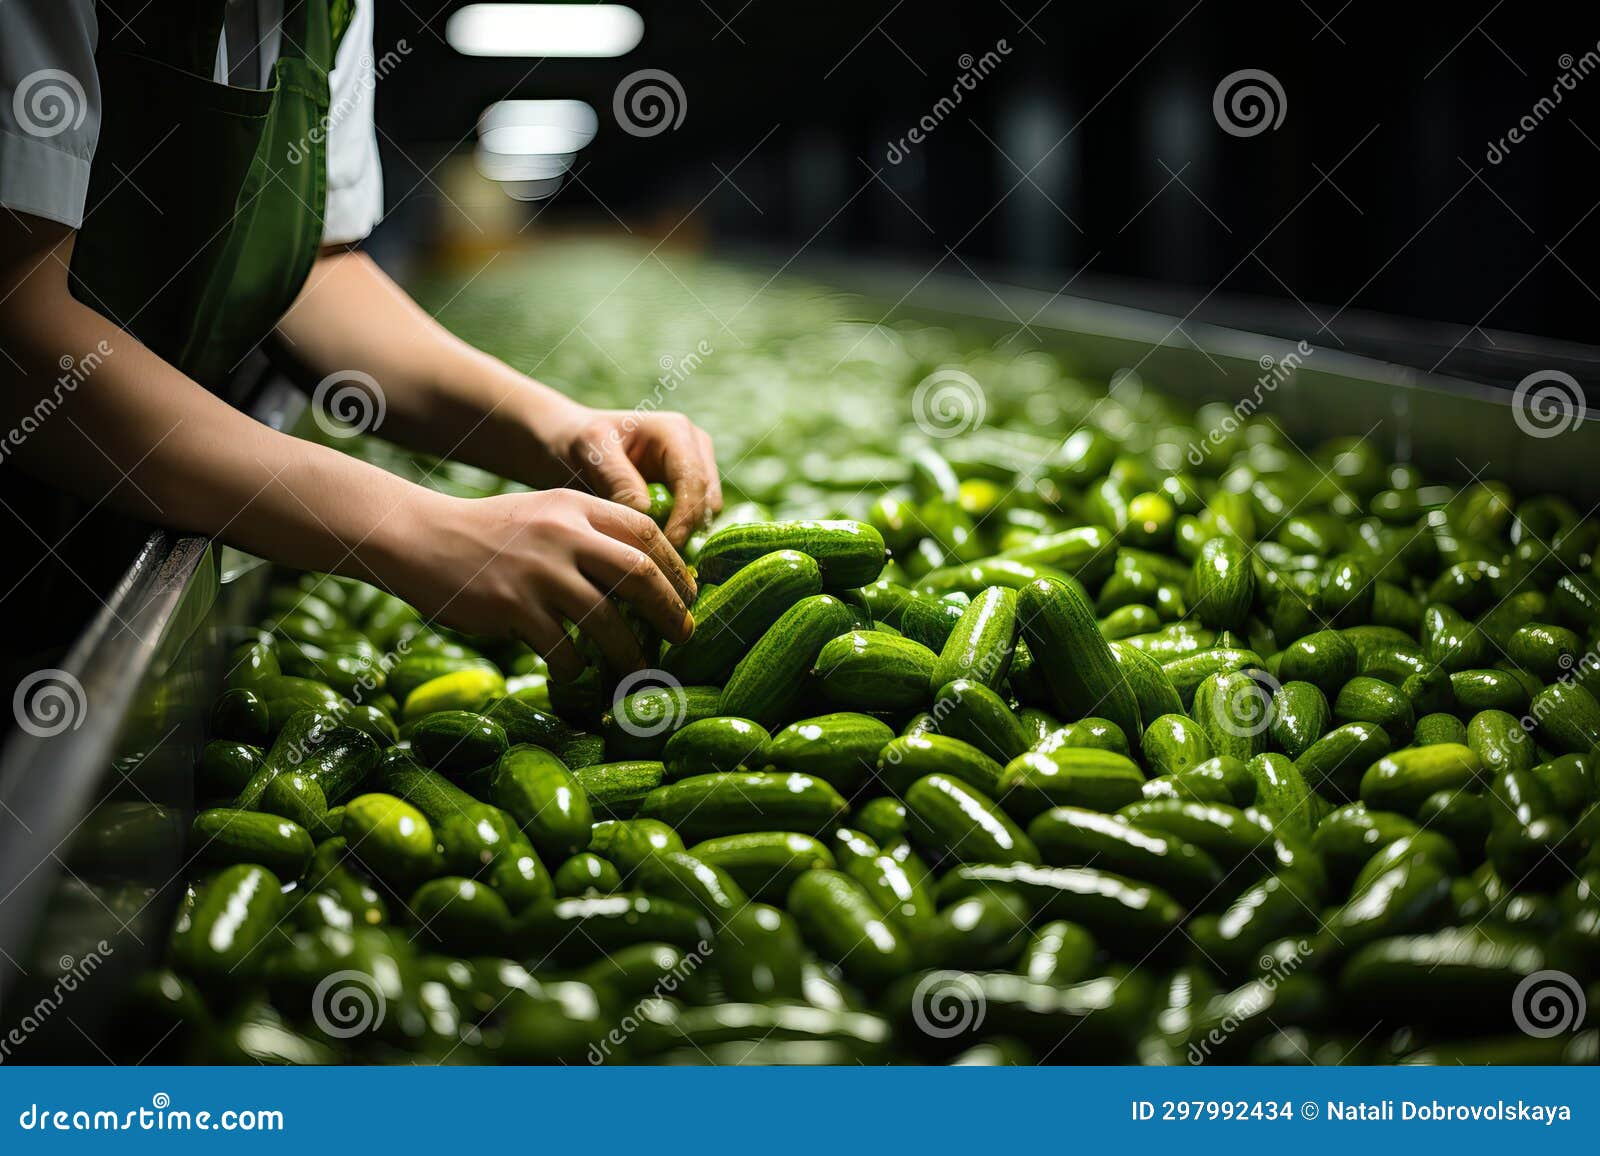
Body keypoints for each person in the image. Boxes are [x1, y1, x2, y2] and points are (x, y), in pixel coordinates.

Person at [0, 0, 720, 680]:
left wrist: (561, 428)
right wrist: (416, 526)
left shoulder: (334, 10)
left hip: (147, 517)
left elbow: (316, 270)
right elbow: (16, 319)